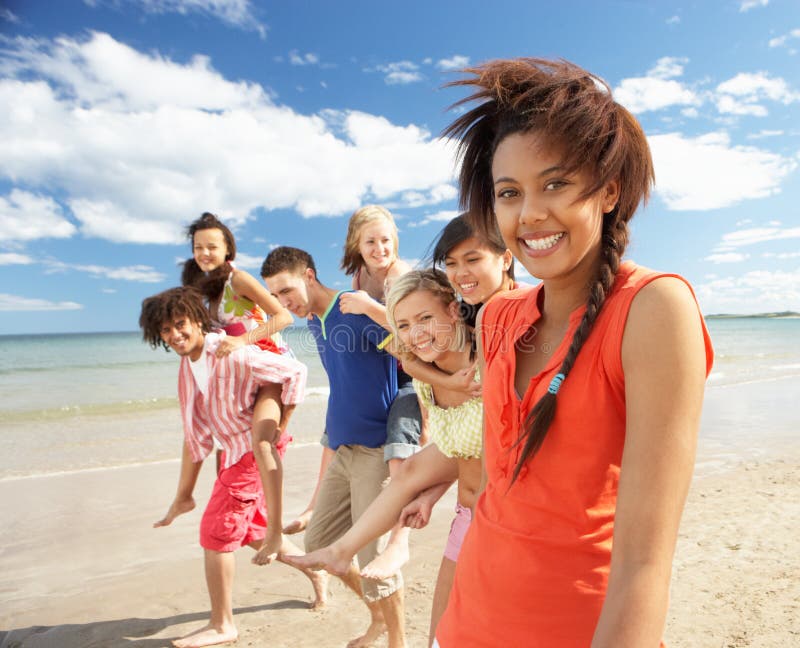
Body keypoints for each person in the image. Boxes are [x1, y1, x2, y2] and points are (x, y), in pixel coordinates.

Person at [432, 58, 714, 647]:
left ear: (610, 190)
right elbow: (495, 489)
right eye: (510, 193)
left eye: (555, 183)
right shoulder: (496, 317)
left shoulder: (654, 309)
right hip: (471, 619)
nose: (530, 213)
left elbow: (643, 561)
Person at [287, 269, 484, 647]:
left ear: (454, 311)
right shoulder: (427, 380)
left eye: (425, 318)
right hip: (467, 516)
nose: (416, 333)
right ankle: (342, 552)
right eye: (404, 324)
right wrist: (429, 496)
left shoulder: (489, 366)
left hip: (512, 522)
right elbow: (459, 452)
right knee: (439, 638)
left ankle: (381, 548)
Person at [139, 286, 326, 648]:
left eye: (180, 324)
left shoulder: (226, 353)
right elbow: (195, 432)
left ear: (196, 319)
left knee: (216, 531)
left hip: (251, 454)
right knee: (248, 531)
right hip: (233, 453)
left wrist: (281, 426)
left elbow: (295, 371)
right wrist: (184, 494)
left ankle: (223, 624)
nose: (175, 334)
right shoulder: (188, 365)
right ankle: (314, 569)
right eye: (165, 330)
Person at [261, 247, 407, 648]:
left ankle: (398, 641)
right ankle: (378, 619)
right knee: (319, 543)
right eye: (275, 296)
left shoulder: (354, 309)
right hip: (343, 449)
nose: (283, 302)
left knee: (374, 560)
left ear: (308, 275)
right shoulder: (313, 321)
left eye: (286, 290)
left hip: (377, 450)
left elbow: (406, 349)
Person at [182, 213, 296, 469]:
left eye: (212, 247)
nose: (205, 253)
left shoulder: (239, 279)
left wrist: (242, 340)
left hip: (266, 369)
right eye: (198, 248)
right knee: (225, 452)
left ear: (227, 250)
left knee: (261, 445)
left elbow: (284, 316)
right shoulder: (202, 288)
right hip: (235, 377)